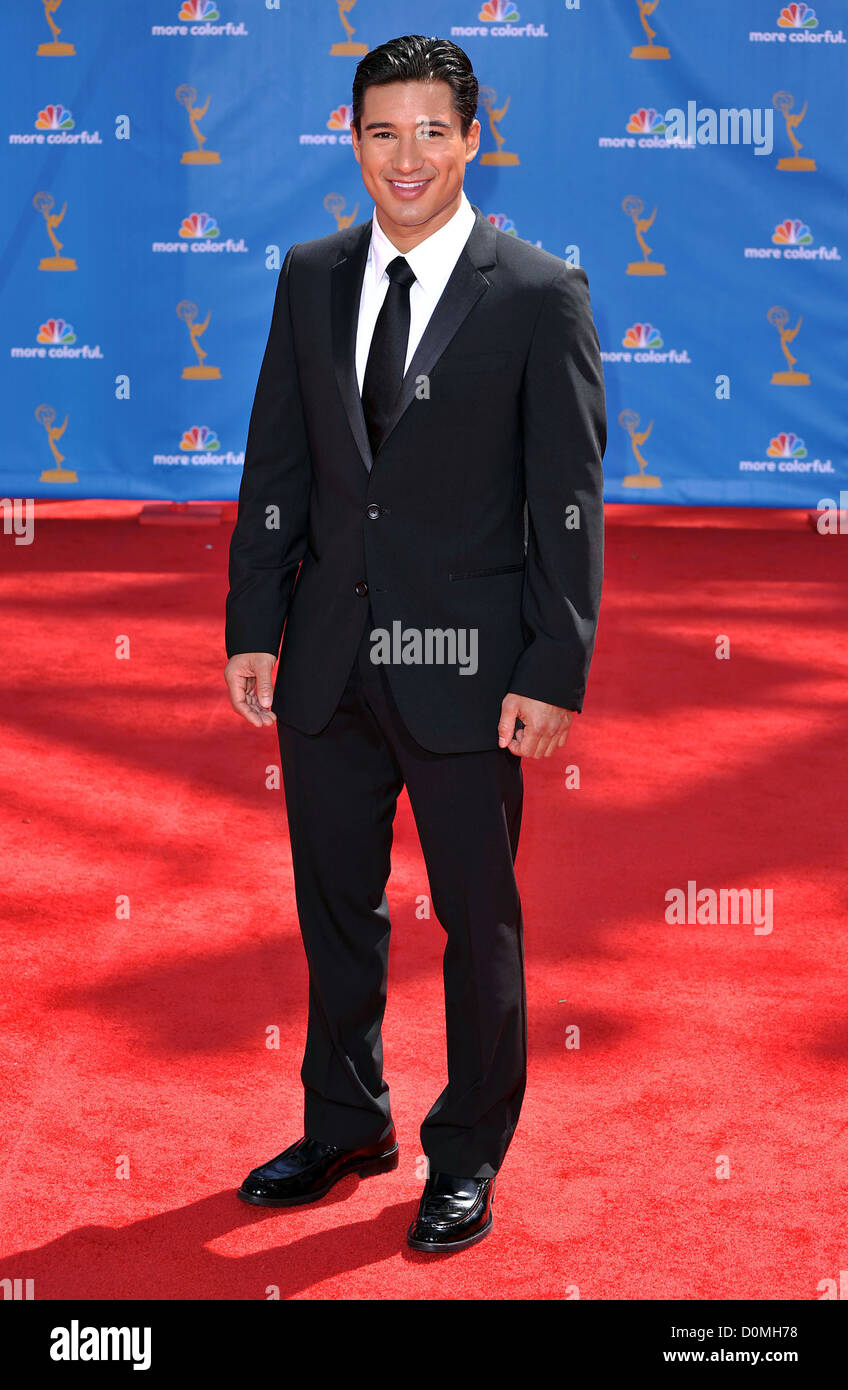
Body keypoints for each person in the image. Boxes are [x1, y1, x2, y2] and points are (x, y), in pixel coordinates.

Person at [224, 33, 606, 1253]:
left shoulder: (539, 293)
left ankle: (467, 1151)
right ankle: (345, 1119)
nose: (406, 156)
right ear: (351, 139)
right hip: (326, 662)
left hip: (469, 672)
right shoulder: (308, 275)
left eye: (430, 130)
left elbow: (567, 500)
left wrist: (552, 667)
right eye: (381, 131)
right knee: (333, 906)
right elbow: (275, 465)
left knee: (474, 915)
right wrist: (253, 624)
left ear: (471, 140)